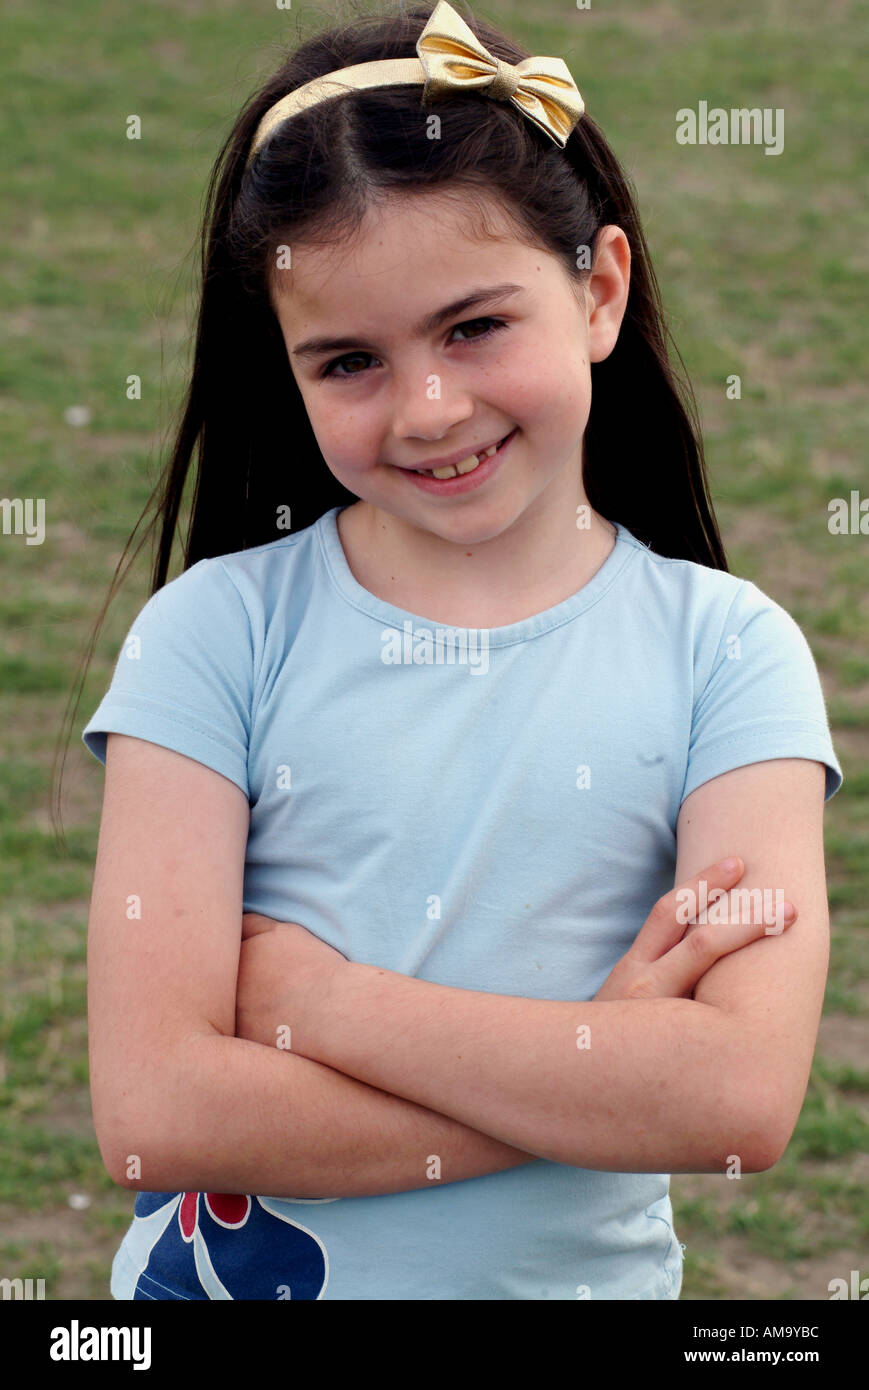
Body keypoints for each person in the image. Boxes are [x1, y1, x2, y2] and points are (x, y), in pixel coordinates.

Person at [74, 1, 842, 1300]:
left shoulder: (731, 657)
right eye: (348, 360)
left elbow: (732, 1096)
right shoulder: (211, 638)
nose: (429, 407)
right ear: (288, 367)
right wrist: (596, 1074)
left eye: (474, 325)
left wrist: (322, 1004)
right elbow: (156, 1107)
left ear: (598, 289)